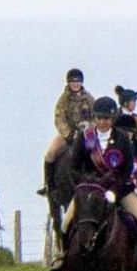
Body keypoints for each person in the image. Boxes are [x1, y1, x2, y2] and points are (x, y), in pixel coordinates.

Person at [54, 97, 137, 271]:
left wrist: (114, 189)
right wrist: (84, 185)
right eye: (99, 118)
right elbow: (74, 167)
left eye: (106, 118)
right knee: (66, 223)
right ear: (94, 118)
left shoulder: (121, 139)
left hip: (118, 191)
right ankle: (65, 259)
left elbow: (127, 168)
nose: (102, 122)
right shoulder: (85, 137)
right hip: (90, 191)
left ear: (112, 119)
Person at [38, 68, 95, 196]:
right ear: (68, 83)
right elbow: (59, 118)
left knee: (99, 152)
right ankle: (49, 184)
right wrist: (67, 134)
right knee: (50, 153)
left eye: (78, 81)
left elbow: (96, 116)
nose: (76, 84)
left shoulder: (89, 98)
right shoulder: (63, 100)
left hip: (86, 134)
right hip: (67, 133)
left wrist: (89, 126)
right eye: (73, 81)